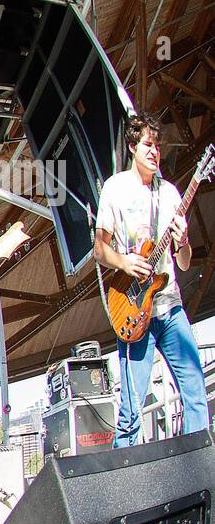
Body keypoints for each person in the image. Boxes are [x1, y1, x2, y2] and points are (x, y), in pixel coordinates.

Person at [94, 113, 209, 446]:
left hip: (170, 308)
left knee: (195, 393)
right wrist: (125, 261)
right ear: (132, 146)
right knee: (131, 412)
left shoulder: (171, 194)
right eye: (147, 144)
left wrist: (184, 240)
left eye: (158, 146)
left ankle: (197, 469)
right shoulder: (115, 189)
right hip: (133, 308)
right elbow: (99, 250)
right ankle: (121, 487)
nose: (154, 152)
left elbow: (184, 264)